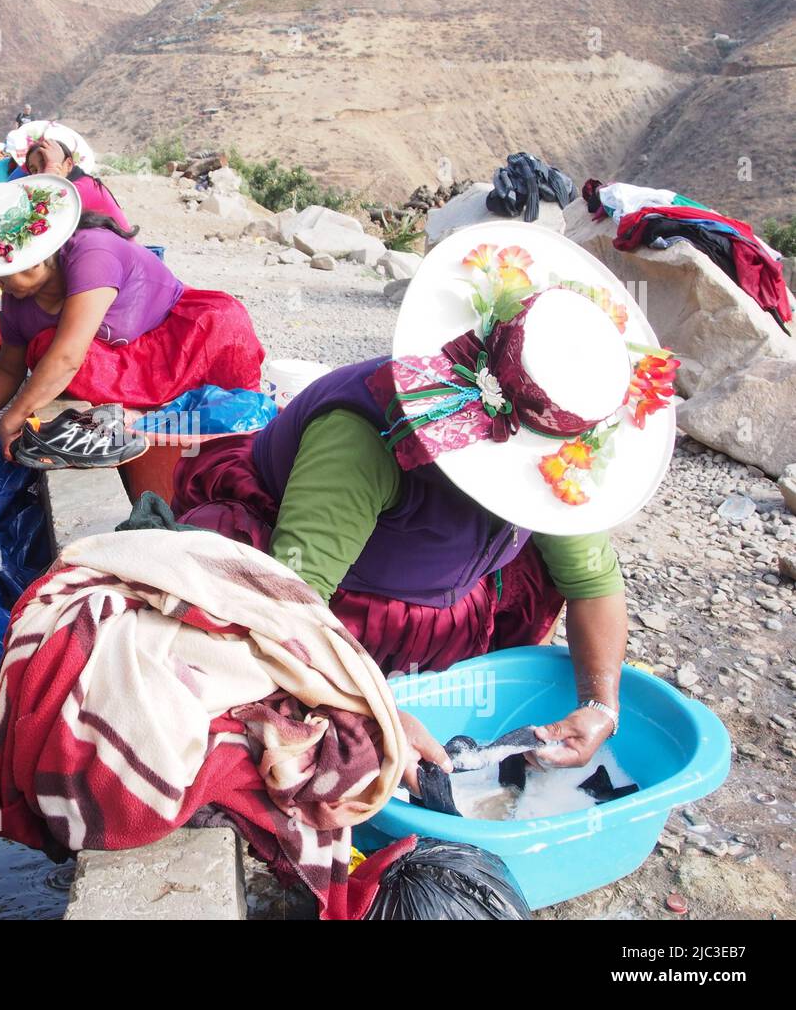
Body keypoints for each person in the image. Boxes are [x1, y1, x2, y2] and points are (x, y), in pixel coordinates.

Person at [171, 224, 679, 795]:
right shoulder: (363, 437)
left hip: (432, 593)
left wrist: (601, 705)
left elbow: (591, 578)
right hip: (316, 596)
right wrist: (375, 712)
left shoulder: (560, 458)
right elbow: (290, 609)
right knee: (270, 740)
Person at [0, 174, 265, 456]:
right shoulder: (18, 298)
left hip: (186, 344)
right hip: (128, 368)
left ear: (39, 256)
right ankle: (141, 423)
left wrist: (15, 417)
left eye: (3, 274)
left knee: (226, 336)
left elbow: (68, 356)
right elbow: (9, 365)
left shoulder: (91, 252)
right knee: (43, 345)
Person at [24, 137, 133, 234]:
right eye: (34, 170)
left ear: (69, 165)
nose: (40, 173)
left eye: (45, 164)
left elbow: (41, 215)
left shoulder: (82, 188)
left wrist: (52, 168)